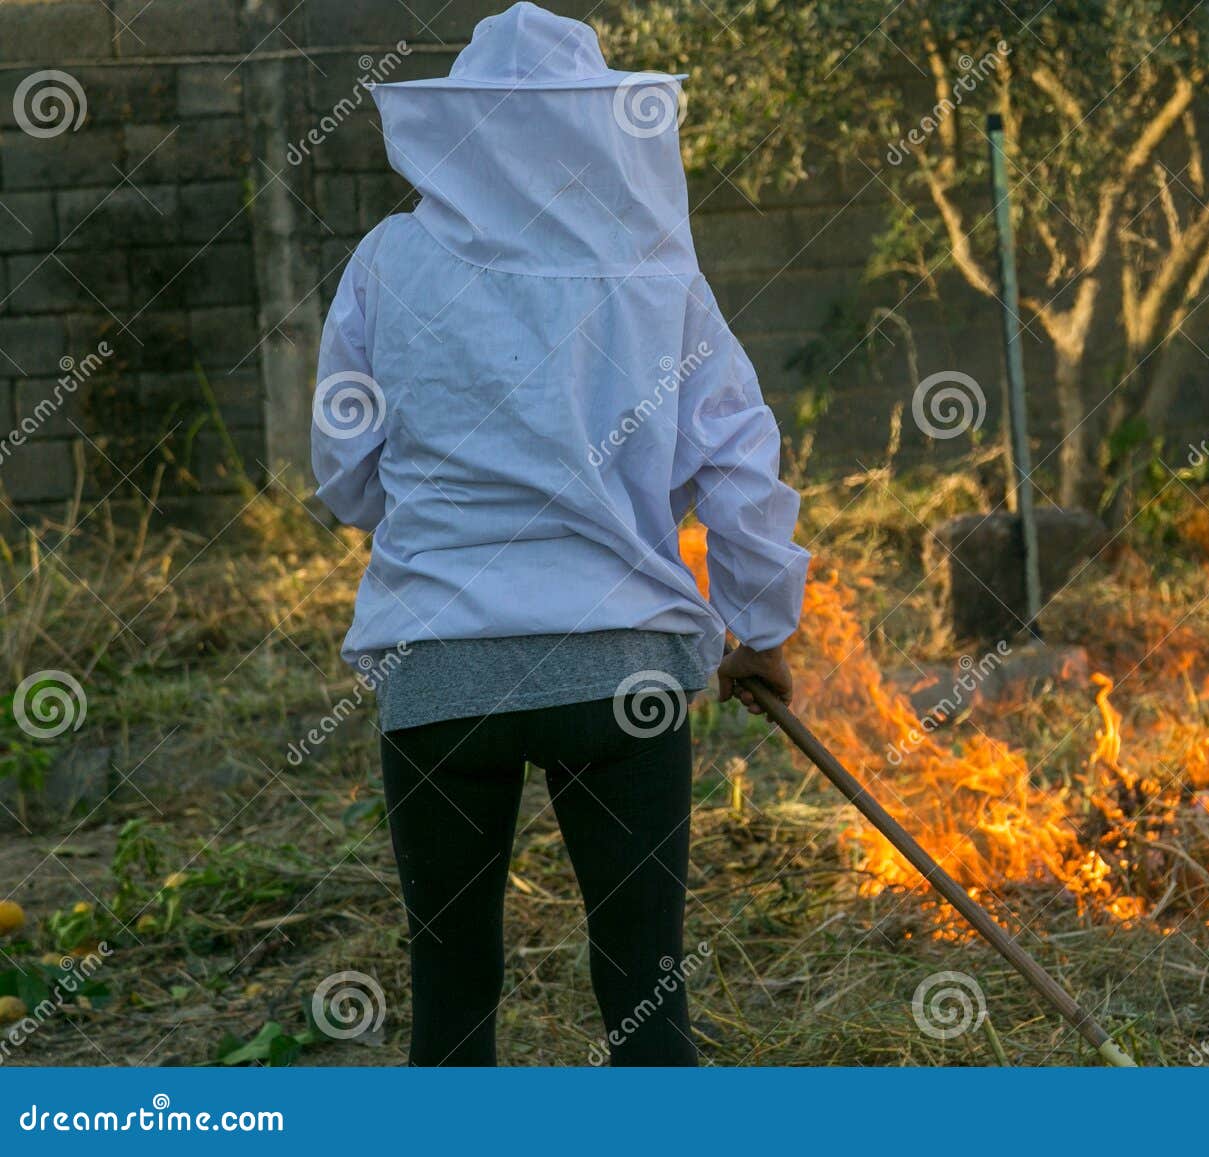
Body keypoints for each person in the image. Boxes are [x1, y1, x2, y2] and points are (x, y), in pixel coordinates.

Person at [309, 2, 809, 1067]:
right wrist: (761, 632)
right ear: (601, 130)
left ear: (464, 130)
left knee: (451, 992)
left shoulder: (386, 262)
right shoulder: (656, 274)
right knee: (643, 990)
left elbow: (346, 477)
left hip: (439, 666)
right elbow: (737, 467)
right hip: (619, 675)